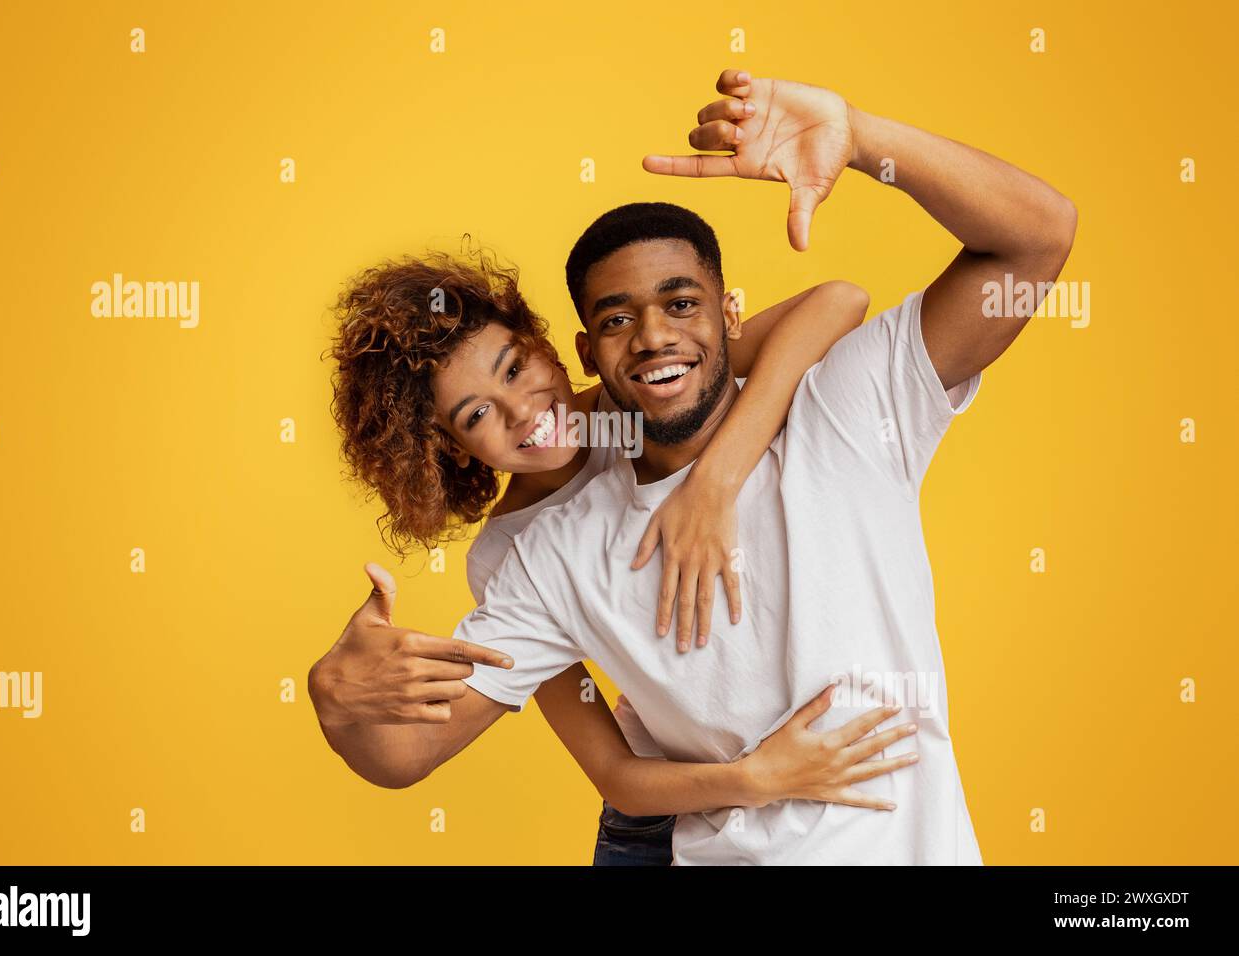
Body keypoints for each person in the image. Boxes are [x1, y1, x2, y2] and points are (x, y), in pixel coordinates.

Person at [311, 67, 1077, 864]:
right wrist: (332, 697)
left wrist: (860, 139)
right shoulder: (538, 559)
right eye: (617, 320)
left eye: (681, 304)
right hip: (675, 819)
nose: (652, 337)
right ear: (588, 349)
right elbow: (440, 760)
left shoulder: (843, 406)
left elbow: (1024, 241)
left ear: (728, 312)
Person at [317, 239, 900, 866]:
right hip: (662, 813)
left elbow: (839, 301)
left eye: (515, 369)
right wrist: (331, 697)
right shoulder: (511, 554)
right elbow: (609, 771)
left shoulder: (649, 390)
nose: (523, 413)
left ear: (549, 348)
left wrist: (714, 483)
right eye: (478, 413)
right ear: (452, 447)